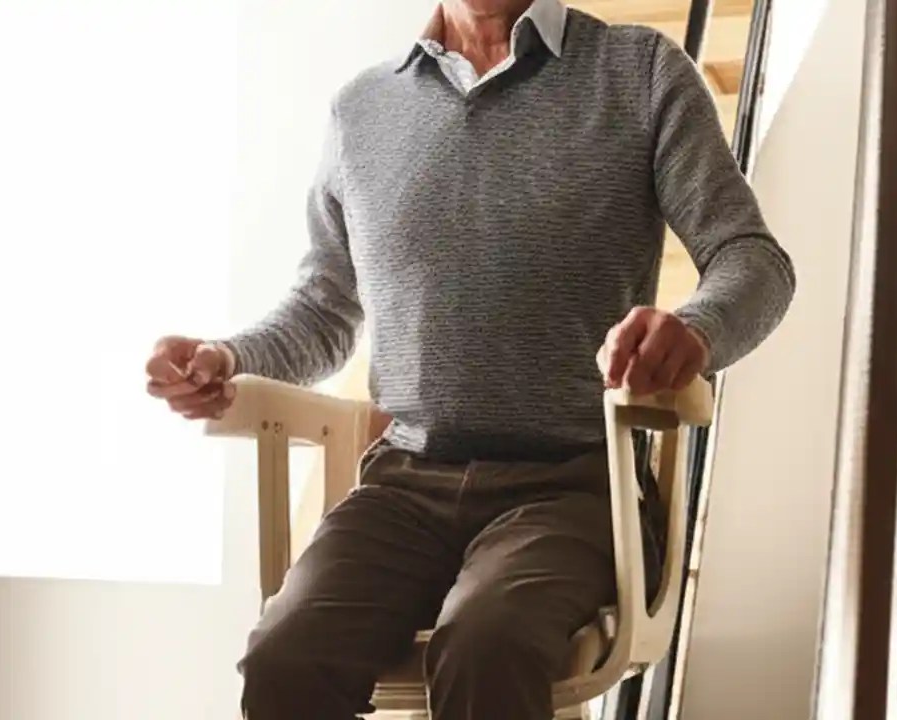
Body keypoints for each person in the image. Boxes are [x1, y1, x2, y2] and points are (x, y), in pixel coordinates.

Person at [145, 0, 795, 717]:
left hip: (571, 488)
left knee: (489, 641)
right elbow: (325, 309)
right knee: (284, 658)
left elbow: (752, 259)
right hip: (401, 491)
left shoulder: (637, 73)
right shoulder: (362, 110)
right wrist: (226, 357)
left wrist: (695, 330)